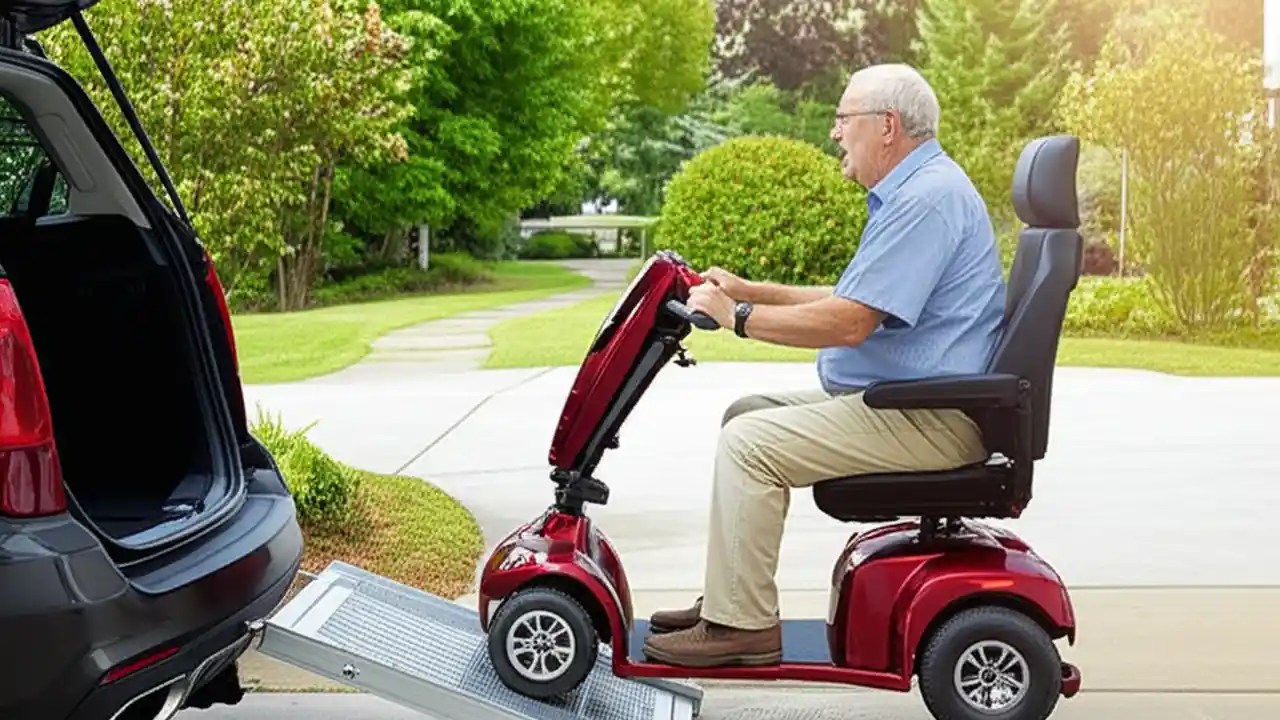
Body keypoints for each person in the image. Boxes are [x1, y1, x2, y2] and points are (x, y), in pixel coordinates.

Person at [640, 63, 1009, 668]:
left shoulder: (926, 200)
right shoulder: (915, 192)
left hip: (928, 417)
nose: (836, 133)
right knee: (745, 415)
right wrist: (748, 289)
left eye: (844, 119)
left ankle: (742, 629)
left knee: (749, 444)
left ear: (887, 126)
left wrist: (739, 318)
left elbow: (849, 323)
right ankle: (732, 598)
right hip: (912, 403)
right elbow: (846, 299)